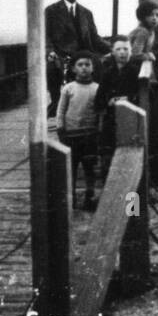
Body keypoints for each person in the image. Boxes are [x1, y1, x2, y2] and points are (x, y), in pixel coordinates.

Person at [44, 0, 111, 116]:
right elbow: (46, 36)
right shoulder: (51, 11)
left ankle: (95, 103)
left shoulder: (86, 13)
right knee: (51, 70)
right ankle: (57, 103)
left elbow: (95, 38)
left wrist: (112, 48)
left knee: (99, 66)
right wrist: (50, 51)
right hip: (61, 55)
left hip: (84, 54)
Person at [55, 51, 101, 210]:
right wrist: (61, 130)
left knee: (89, 167)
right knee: (71, 168)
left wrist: (98, 131)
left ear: (93, 67)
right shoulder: (68, 88)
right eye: (80, 65)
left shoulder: (97, 88)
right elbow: (60, 111)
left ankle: (90, 195)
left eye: (87, 65)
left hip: (89, 135)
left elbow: (99, 112)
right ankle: (71, 197)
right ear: (73, 69)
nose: (84, 68)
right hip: (71, 135)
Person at [95, 36, 140, 187]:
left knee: (130, 166)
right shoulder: (108, 73)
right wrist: (110, 101)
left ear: (131, 51)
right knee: (108, 162)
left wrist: (129, 99)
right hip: (111, 123)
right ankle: (108, 200)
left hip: (131, 123)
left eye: (126, 49)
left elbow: (147, 96)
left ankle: (132, 209)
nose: (122, 52)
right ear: (112, 52)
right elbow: (98, 101)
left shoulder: (137, 72)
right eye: (118, 49)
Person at [128, 1, 158, 65]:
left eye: (157, 15)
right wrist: (148, 56)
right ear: (143, 16)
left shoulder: (151, 31)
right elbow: (135, 54)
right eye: (150, 15)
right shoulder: (143, 32)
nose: (155, 18)